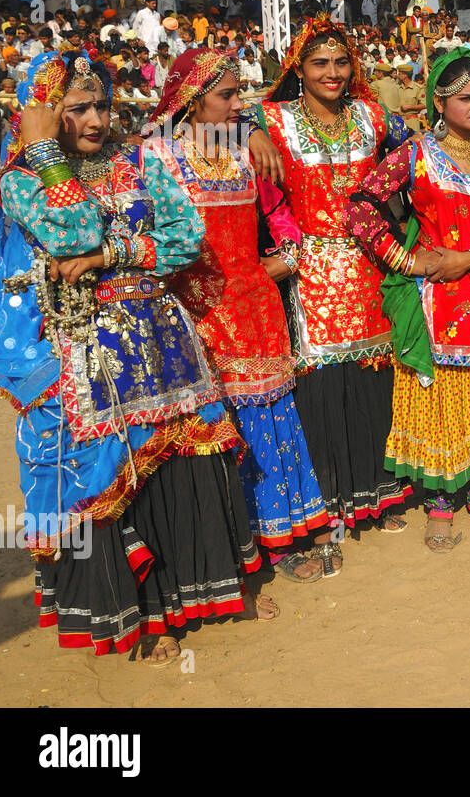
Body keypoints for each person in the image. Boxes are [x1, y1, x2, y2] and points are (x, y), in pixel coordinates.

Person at [0, 51, 269, 662]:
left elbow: (185, 237)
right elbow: (71, 233)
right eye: (77, 109)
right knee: (115, 475)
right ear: (42, 115)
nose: (95, 119)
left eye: (102, 105)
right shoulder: (21, 178)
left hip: (162, 339)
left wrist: (108, 257)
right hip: (85, 350)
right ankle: (139, 616)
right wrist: (42, 155)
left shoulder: (139, 157)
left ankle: (193, 591)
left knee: (179, 463)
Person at [141, 49, 330, 583]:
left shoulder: (249, 154)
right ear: (191, 101)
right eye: (226, 96)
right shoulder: (156, 157)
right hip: (197, 315)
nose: (237, 105)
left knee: (272, 419)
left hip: (256, 308)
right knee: (219, 430)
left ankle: (283, 535)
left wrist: (282, 262)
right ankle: (233, 544)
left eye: (240, 95)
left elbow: (281, 215)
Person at [346, 52, 470, 551]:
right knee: (440, 402)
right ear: (438, 101)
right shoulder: (417, 154)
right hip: (439, 308)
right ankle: (439, 501)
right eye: (464, 98)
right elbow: (362, 207)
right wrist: (405, 263)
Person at [245, 15, 415, 576]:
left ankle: (376, 496)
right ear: (298, 68)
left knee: (372, 383)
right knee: (321, 391)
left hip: (369, 264)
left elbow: (417, 148)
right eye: (320, 63)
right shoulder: (274, 119)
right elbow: (200, 122)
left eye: (342, 62)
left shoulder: (371, 116)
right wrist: (251, 132)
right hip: (310, 269)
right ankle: (331, 507)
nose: (333, 73)